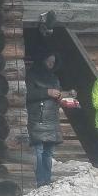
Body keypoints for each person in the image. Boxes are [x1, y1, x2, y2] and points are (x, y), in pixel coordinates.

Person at [26, 48, 65, 187]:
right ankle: (40, 181)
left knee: (48, 153)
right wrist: (47, 92)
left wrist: (62, 95)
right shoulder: (31, 75)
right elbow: (27, 94)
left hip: (52, 119)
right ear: (42, 60)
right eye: (48, 61)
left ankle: (47, 181)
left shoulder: (54, 78)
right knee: (38, 152)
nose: (51, 64)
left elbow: (58, 93)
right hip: (38, 119)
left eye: (53, 62)